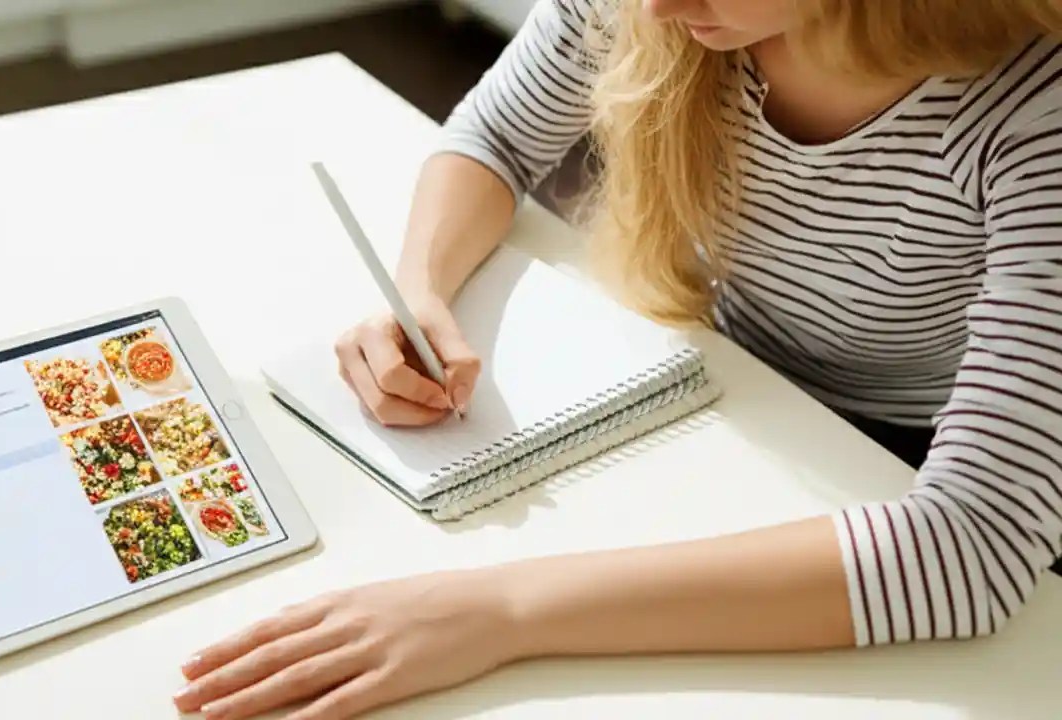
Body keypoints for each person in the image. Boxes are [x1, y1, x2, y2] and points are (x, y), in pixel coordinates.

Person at [173, 1, 1062, 717]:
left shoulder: (1033, 108)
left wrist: (499, 612)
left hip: (906, 456)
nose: (659, 6)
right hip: (731, 390)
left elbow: (973, 543)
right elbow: (493, 139)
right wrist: (421, 291)